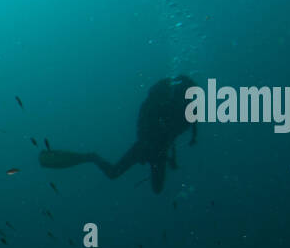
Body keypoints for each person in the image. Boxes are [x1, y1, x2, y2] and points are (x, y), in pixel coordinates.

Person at [39, 75, 198, 193]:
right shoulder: (168, 106)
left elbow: (173, 133)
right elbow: (163, 129)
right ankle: (92, 157)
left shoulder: (180, 109)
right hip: (146, 147)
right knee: (114, 173)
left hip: (156, 151)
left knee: (153, 188)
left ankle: (92, 158)